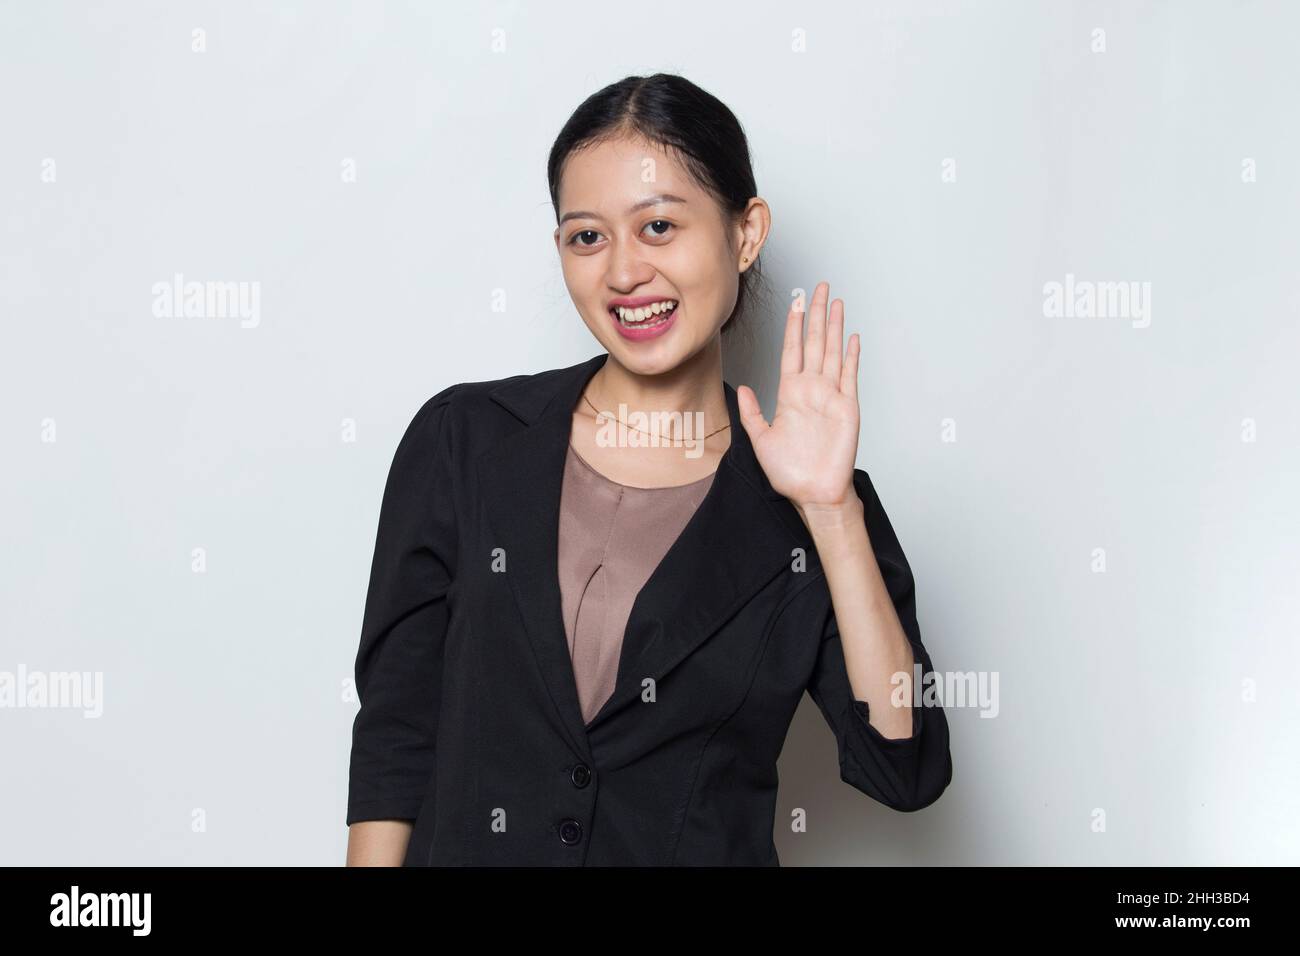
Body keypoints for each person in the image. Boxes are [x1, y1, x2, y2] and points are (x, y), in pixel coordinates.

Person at [346, 73, 952, 866]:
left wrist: (832, 513)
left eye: (659, 226)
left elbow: (902, 766)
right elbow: (398, 724)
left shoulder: (810, 498)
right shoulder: (466, 441)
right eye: (587, 236)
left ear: (745, 232)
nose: (624, 273)